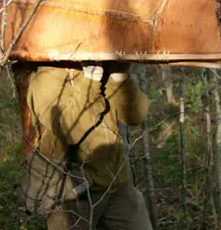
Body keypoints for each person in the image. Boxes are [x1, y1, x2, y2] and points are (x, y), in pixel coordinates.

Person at [15, 62, 153, 230]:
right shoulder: (45, 78)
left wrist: (120, 74)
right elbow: (73, 129)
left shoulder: (102, 67)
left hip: (116, 185)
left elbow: (135, 115)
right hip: (72, 191)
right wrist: (91, 79)